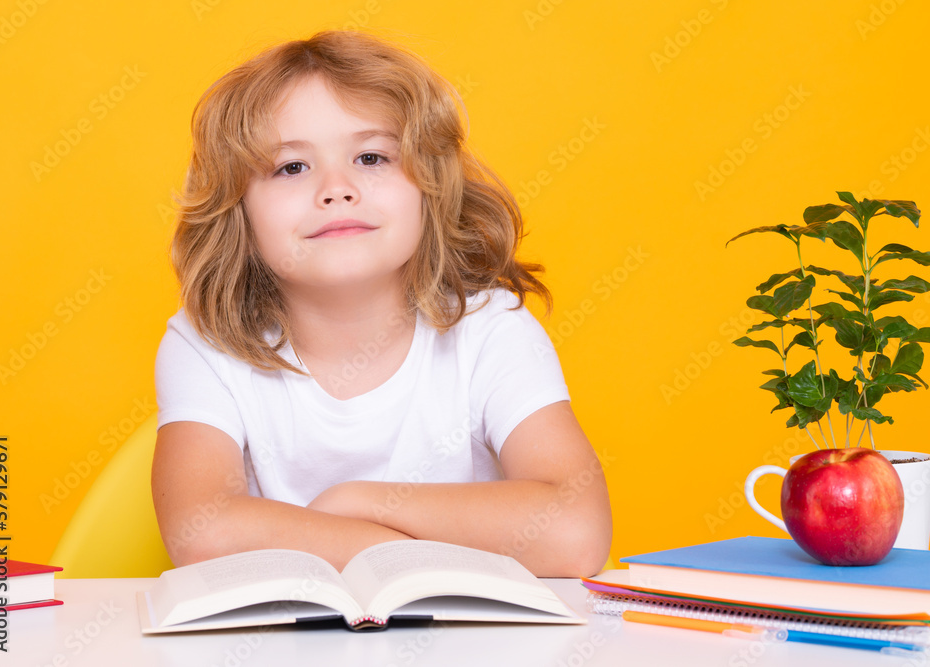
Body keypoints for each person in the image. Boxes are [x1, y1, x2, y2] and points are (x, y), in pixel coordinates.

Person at [151, 30, 612, 578]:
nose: (337, 188)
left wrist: (360, 500)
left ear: (431, 188)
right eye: (291, 167)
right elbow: (200, 530)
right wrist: (412, 548)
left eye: (371, 157)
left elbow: (577, 535)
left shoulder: (490, 329)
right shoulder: (203, 343)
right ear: (239, 213)